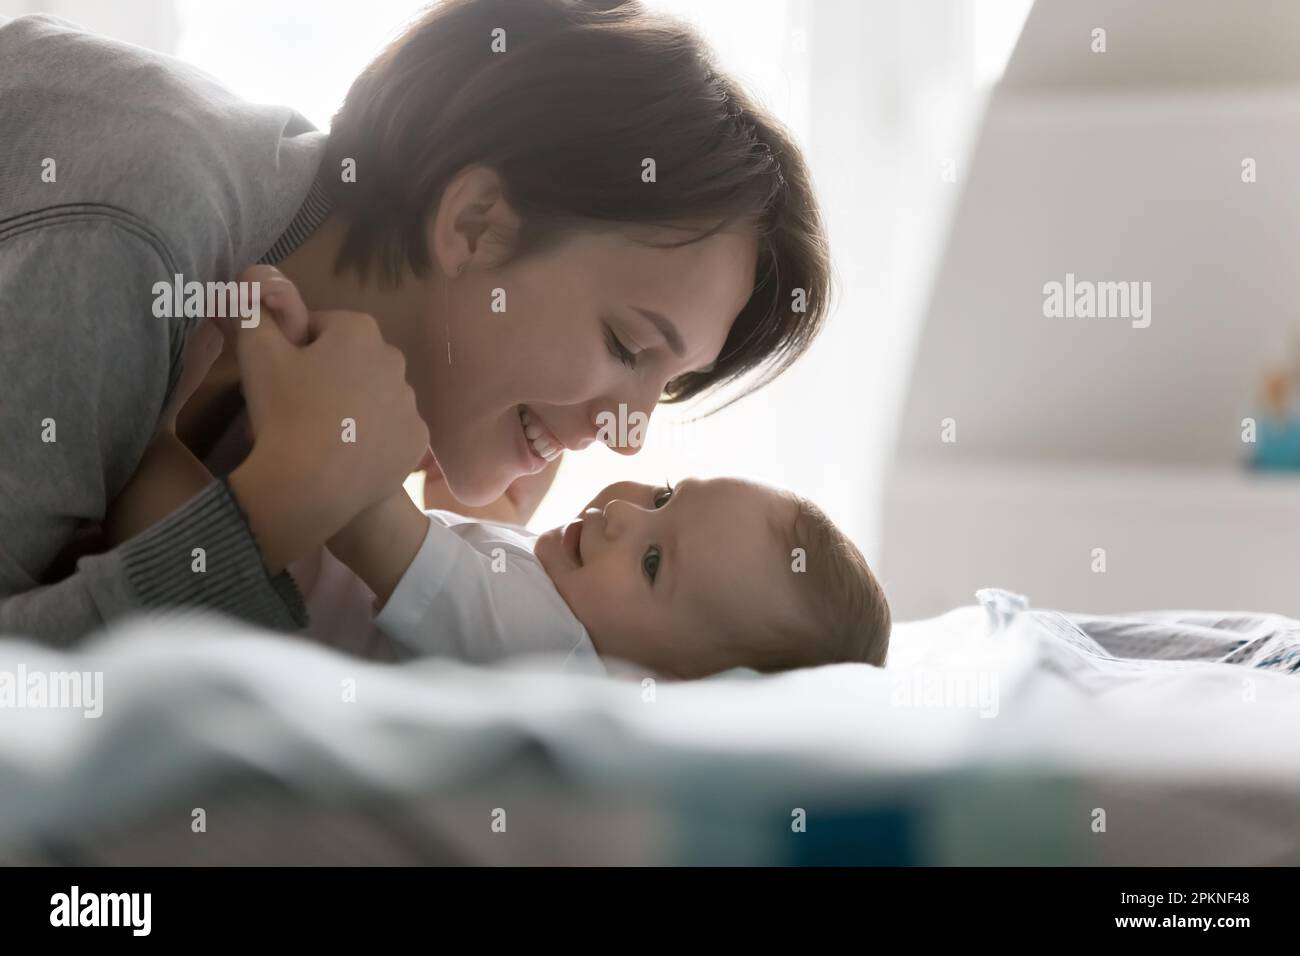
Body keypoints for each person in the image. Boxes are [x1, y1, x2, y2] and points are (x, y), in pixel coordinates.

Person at [0, 0, 831, 644]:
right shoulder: (133, 237)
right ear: (476, 225)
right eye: (627, 346)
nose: (630, 436)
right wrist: (267, 512)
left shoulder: (312, 366)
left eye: (667, 383)